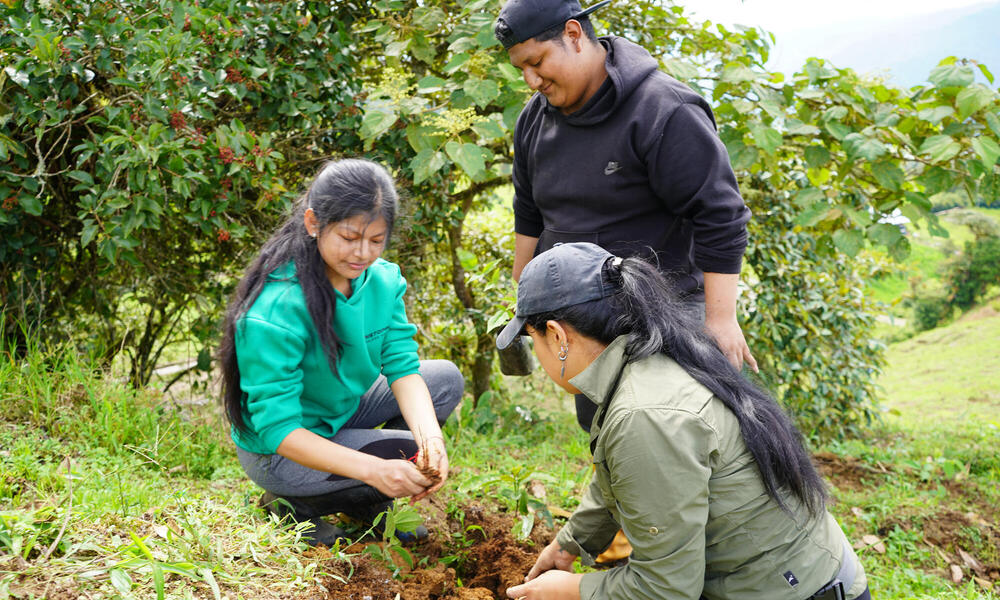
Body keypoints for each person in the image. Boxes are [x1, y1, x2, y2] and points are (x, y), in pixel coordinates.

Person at [495, 242, 870, 600]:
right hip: (791, 576)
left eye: (533, 339)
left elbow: (666, 590)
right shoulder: (654, 353)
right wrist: (570, 542)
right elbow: (624, 477)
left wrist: (571, 590)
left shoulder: (645, 415)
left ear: (558, 336)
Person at [494, 0, 757, 433]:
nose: (530, 79)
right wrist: (521, 293)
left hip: (667, 319)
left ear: (574, 35)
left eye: (537, 62)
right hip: (585, 324)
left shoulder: (663, 110)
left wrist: (720, 320)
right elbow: (529, 211)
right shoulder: (533, 122)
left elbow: (721, 215)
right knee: (609, 443)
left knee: (676, 441)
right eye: (520, 67)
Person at [218, 158, 464, 546]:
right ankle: (289, 503)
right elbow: (278, 430)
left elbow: (402, 367)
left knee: (444, 381)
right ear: (314, 223)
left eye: (376, 240)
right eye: (349, 237)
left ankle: (365, 501)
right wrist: (374, 470)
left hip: (341, 410)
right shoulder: (276, 309)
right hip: (281, 451)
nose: (362, 253)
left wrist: (432, 440)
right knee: (392, 458)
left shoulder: (383, 280)